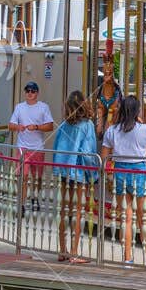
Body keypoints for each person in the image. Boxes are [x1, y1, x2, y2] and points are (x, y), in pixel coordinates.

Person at [102, 95, 146, 268]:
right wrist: (142, 123)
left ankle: (127, 259)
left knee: (126, 219)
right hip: (139, 171)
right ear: (137, 111)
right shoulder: (144, 129)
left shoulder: (112, 130)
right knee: (144, 219)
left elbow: (104, 156)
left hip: (120, 171)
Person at [51, 90, 97, 263]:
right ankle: (74, 252)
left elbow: (56, 147)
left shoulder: (64, 124)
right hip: (78, 171)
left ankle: (62, 250)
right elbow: (87, 153)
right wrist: (93, 172)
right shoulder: (87, 125)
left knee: (63, 209)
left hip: (63, 170)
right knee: (78, 211)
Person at [7, 81, 55, 212]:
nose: (30, 93)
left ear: (37, 93)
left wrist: (37, 127)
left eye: (32, 91)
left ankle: (35, 198)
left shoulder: (43, 107)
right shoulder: (19, 107)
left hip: (38, 148)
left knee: (37, 177)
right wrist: (18, 127)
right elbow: (10, 125)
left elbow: (50, 126)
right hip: (23, 148)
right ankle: (21, 204)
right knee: (23, 177)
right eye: (27, 90)